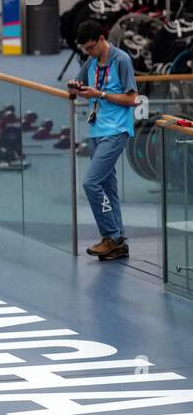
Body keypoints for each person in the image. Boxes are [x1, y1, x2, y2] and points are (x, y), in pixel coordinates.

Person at [68, 19, 139, 261]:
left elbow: (132, 100)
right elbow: (78, 86)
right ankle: (118, 242)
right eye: (84, 49)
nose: (88, 53)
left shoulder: (122, 60)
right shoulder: (91, 60)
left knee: (91, 183)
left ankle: (110, 236)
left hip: (116, 130)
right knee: (108, 187)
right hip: (97, 130)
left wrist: (100, 93)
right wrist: (75, 86)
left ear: (101, 39)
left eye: (90, 47)